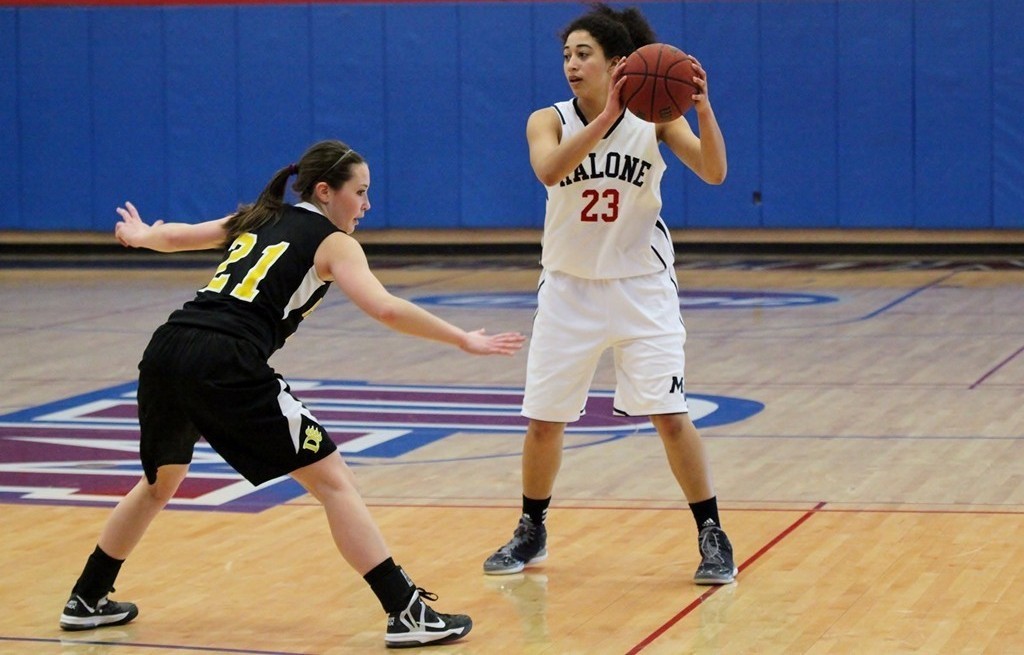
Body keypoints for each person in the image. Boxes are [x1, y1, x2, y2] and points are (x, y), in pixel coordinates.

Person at [58, 139, 526, 649]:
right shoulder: (333, 242)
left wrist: (140, 234)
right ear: (325, 192)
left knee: (158, 483)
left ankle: (87, 597)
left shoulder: (258, 216)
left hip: (168, 349)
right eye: (361, 193)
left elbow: (176, 238)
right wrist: (462, 338)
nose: (367, 205)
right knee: (333, 482)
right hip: (226, 360)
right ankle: (406, 612)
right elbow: (386, 308)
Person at [482, 4, 737, 585]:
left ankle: (712, 533)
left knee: (671, 416)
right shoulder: (545, 119)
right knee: (544, 421)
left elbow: (715, 172)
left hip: (641, 287)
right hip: (569, 287)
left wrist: (701, 106)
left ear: (618, 63)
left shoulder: (656, 118)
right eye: (567, 54)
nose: (571, 64)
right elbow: (549, 171)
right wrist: (606, 119)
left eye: (583, 53)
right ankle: (532, 528)